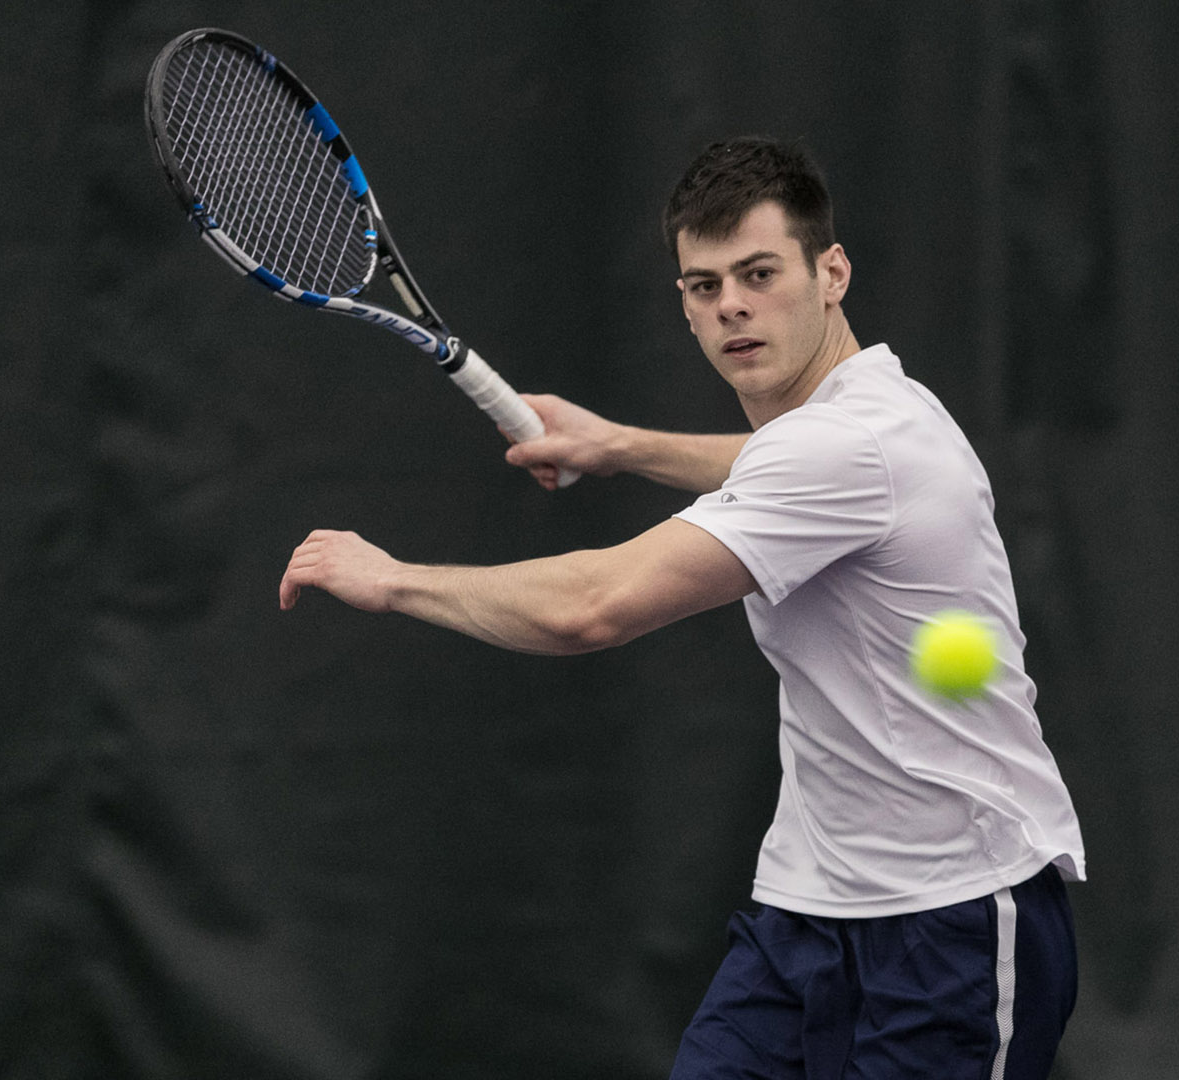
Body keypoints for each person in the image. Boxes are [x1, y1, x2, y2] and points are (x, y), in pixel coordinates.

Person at [279, 137, 1086, 1079]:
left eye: (758, 273)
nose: (732, 305)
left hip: (953, 922)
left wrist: (394, 580)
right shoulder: (881, 409)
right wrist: (618, 444)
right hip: (810, 913)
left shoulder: (846, 447)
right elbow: (770, 467)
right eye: (703, 286)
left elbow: (596, 605)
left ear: (832, 273)